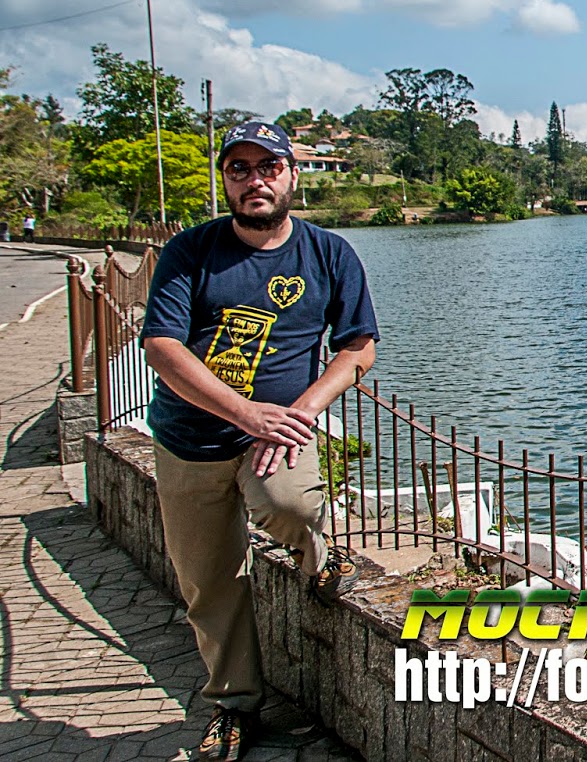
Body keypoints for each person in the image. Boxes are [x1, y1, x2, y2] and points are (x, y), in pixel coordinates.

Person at [140, 120, 379, 762]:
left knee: (293, 504)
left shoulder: (329, 255)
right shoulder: (190, 253)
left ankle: (320, 556)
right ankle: (234, 704)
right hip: (190, 441)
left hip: (275, 437)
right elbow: (161, 346)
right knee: (208, 582)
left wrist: (299, 411)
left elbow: (358, 346)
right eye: (239, 169)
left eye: (267, 167)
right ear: (226, 181)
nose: (255, 181)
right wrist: (246, 413)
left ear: (291, 174)